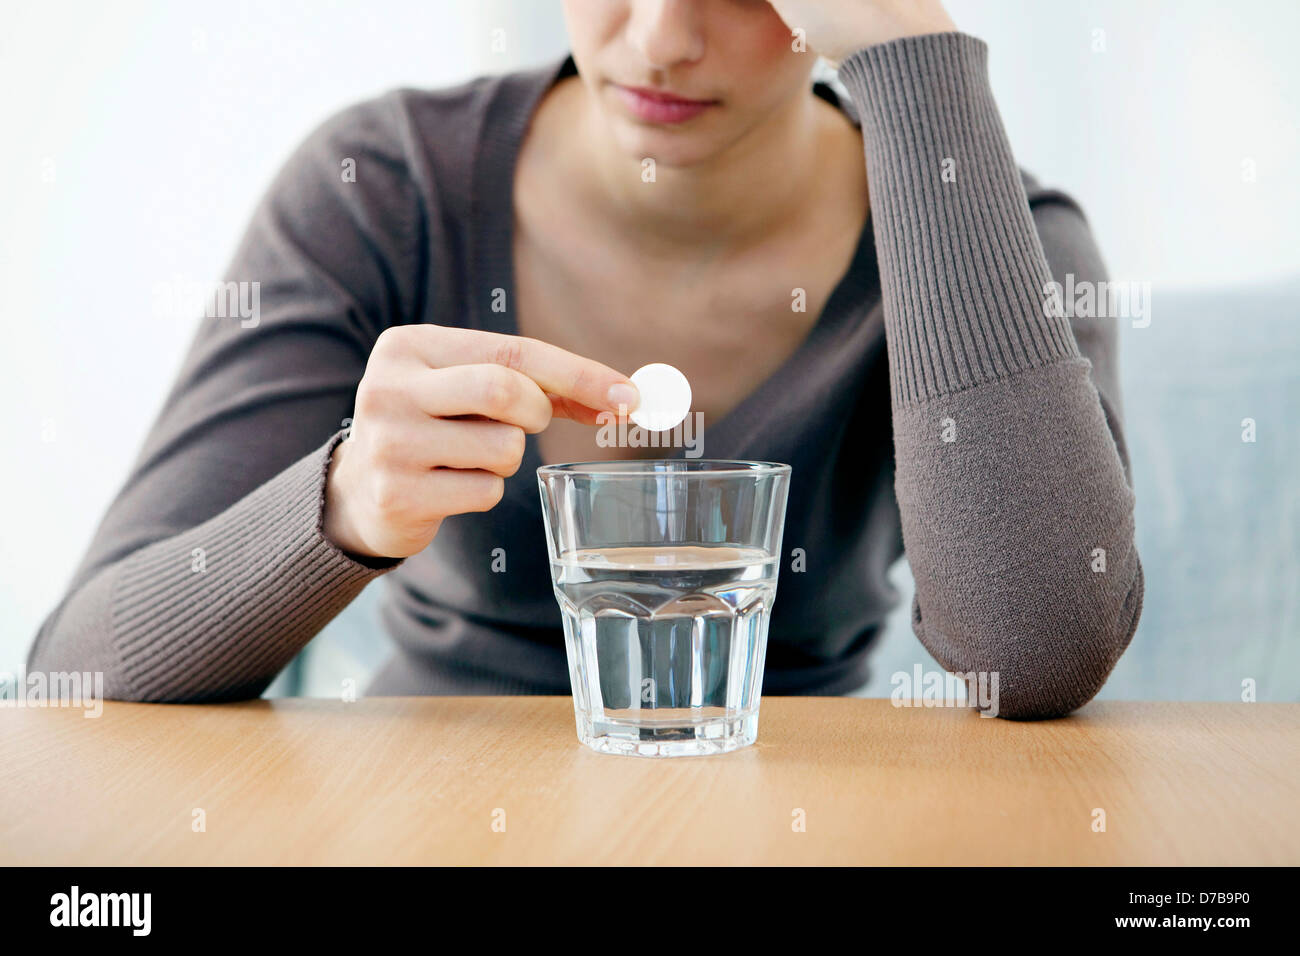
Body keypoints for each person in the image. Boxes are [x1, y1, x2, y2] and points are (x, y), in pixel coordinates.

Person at [28, 0, 1143, 719]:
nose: (659, 35)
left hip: (797, 819)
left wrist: (913, 54)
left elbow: (1041, 646)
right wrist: (342, 505)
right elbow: (74, 666)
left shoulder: (995, 243)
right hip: (423, 822)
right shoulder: (385, 187)